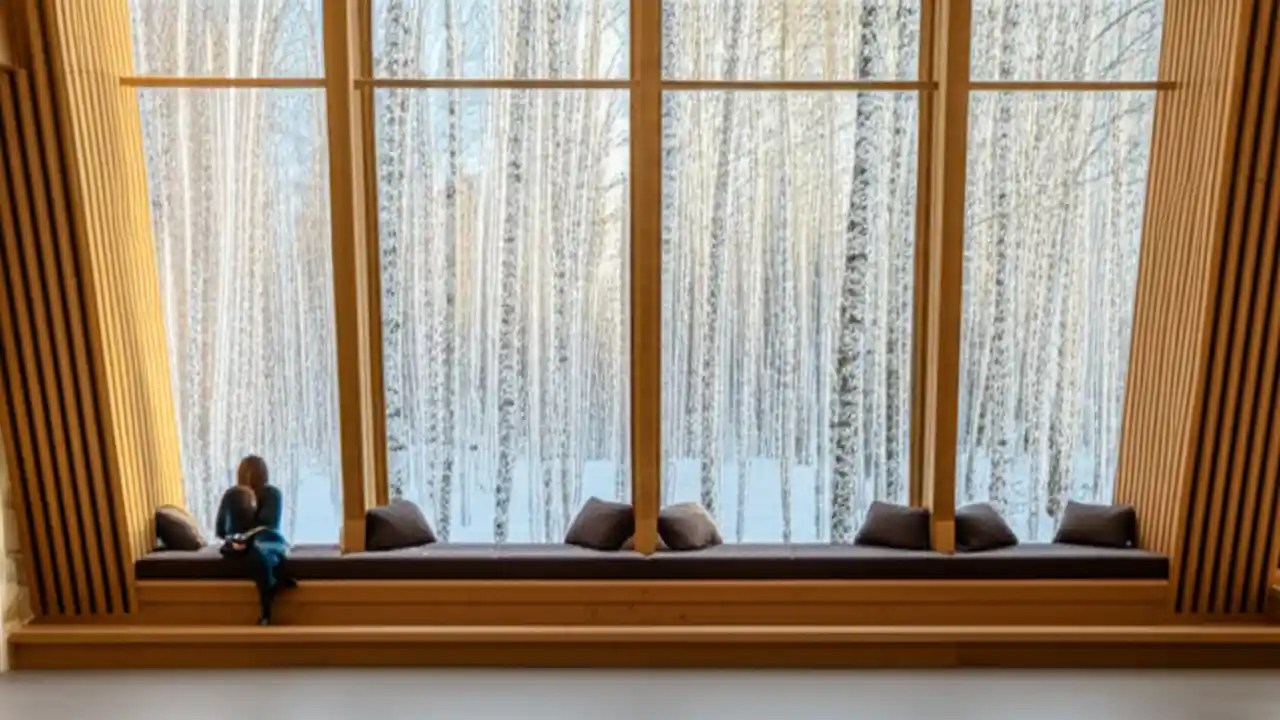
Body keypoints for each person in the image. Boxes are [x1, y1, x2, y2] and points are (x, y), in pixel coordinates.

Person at [214, 455, 294, 625]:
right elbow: (269, 523)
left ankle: (267, 605)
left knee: (258, 550)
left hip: (247, 544)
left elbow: (220, 530)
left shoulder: (265, 494)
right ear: (265, 474)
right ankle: (270, 593)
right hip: (256, 543)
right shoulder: (267, 494)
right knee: (262, 551)